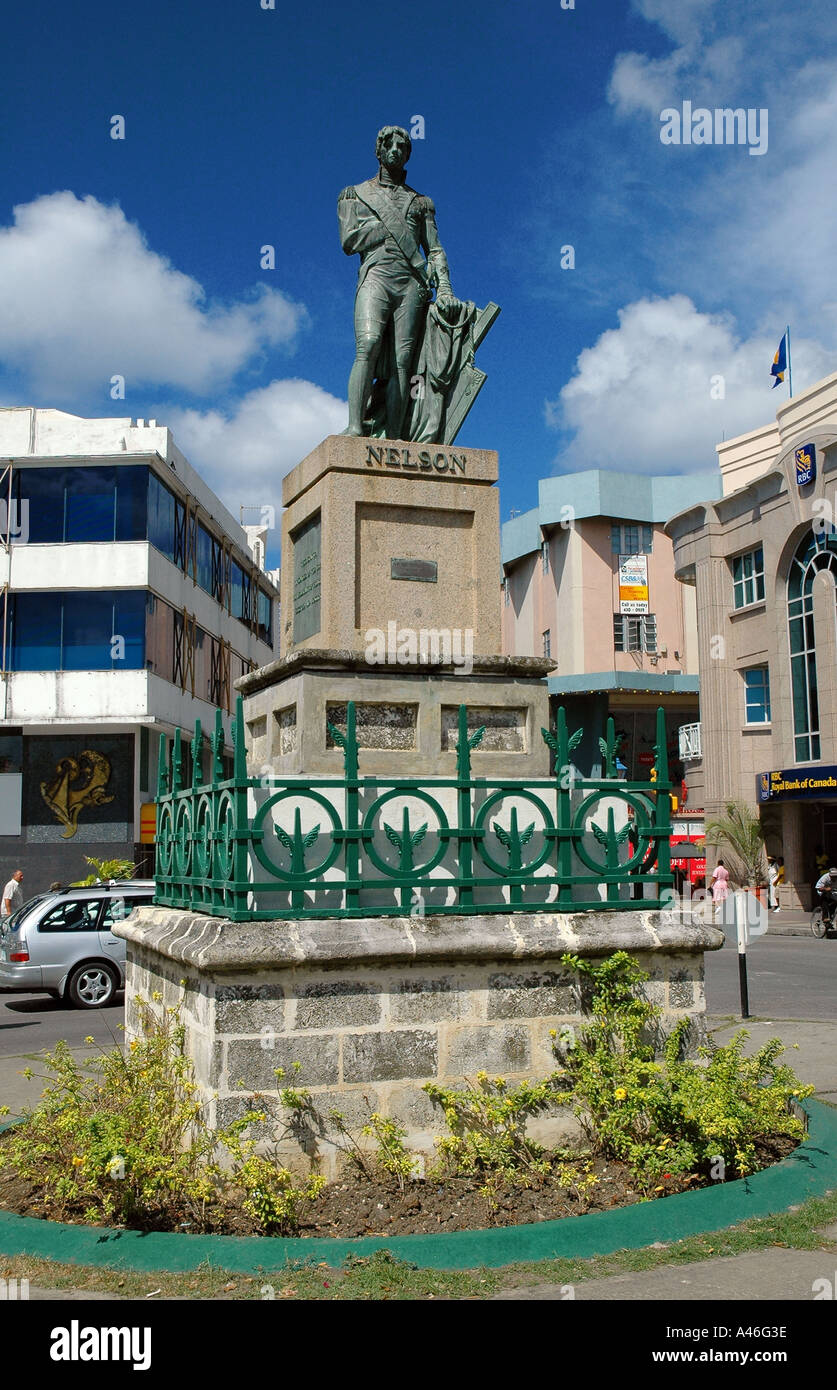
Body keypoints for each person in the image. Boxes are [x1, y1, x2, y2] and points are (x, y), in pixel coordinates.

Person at [338, 125, 457, 439]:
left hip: (411, 285)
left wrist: (444, 286)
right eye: (389, 145)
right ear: (378, 151)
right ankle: (355, 425)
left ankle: (394, 437)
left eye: (402, 147)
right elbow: (349, 240)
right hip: (375, 277)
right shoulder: (355, 194)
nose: (395, 151)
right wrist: (389, 226)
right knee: (368, 344)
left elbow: (434, 249)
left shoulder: (421, 203)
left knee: (402, 363)